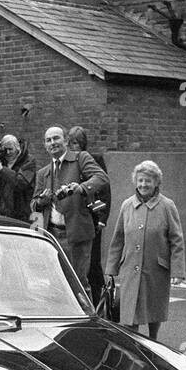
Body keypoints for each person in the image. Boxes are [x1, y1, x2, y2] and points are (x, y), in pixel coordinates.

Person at [105, 160, 185, 340]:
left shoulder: (167, 205)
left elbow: (176, 239)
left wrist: (178, 271)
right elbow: (118, 238)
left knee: (153, 309)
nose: (143, 185)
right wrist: (111, 268)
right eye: (140, 180)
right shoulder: (127, 205)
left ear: (156, 182)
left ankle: (153, 341)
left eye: (148, 181)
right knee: (130, 310)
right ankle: (135, 346)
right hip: (129, 267)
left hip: (156, 268)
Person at [31, 125, 108, 287]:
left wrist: (81, 188)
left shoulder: (80, 158)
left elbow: (101, 178)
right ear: (45, 146)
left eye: (56, 138)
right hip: (51, 234)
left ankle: (86, 312)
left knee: (78, 283)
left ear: (66, 140)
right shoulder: (43, 173)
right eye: (48, 140)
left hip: (76, 233)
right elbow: (33, 205)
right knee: (55, 283)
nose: (52, 143)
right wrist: (40, 201)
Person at [66, 126, 112, 303]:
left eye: (76, 143)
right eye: (71, 143)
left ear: (83, 143)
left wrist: (102, 219)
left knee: (93, 263)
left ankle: (100, 301)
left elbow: (105, 190)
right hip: (75, 217)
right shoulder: (68, 162)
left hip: (93, 216)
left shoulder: (93, 159)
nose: (74, 147)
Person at [0, 133, 36, 222]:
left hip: (20, 214)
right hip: (1, 213)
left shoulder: (28, 161)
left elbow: (21, 183)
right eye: (5, 150)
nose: (8, 153)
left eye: (10, 149)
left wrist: (2, 169)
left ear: (17, 148)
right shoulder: (1, 160)